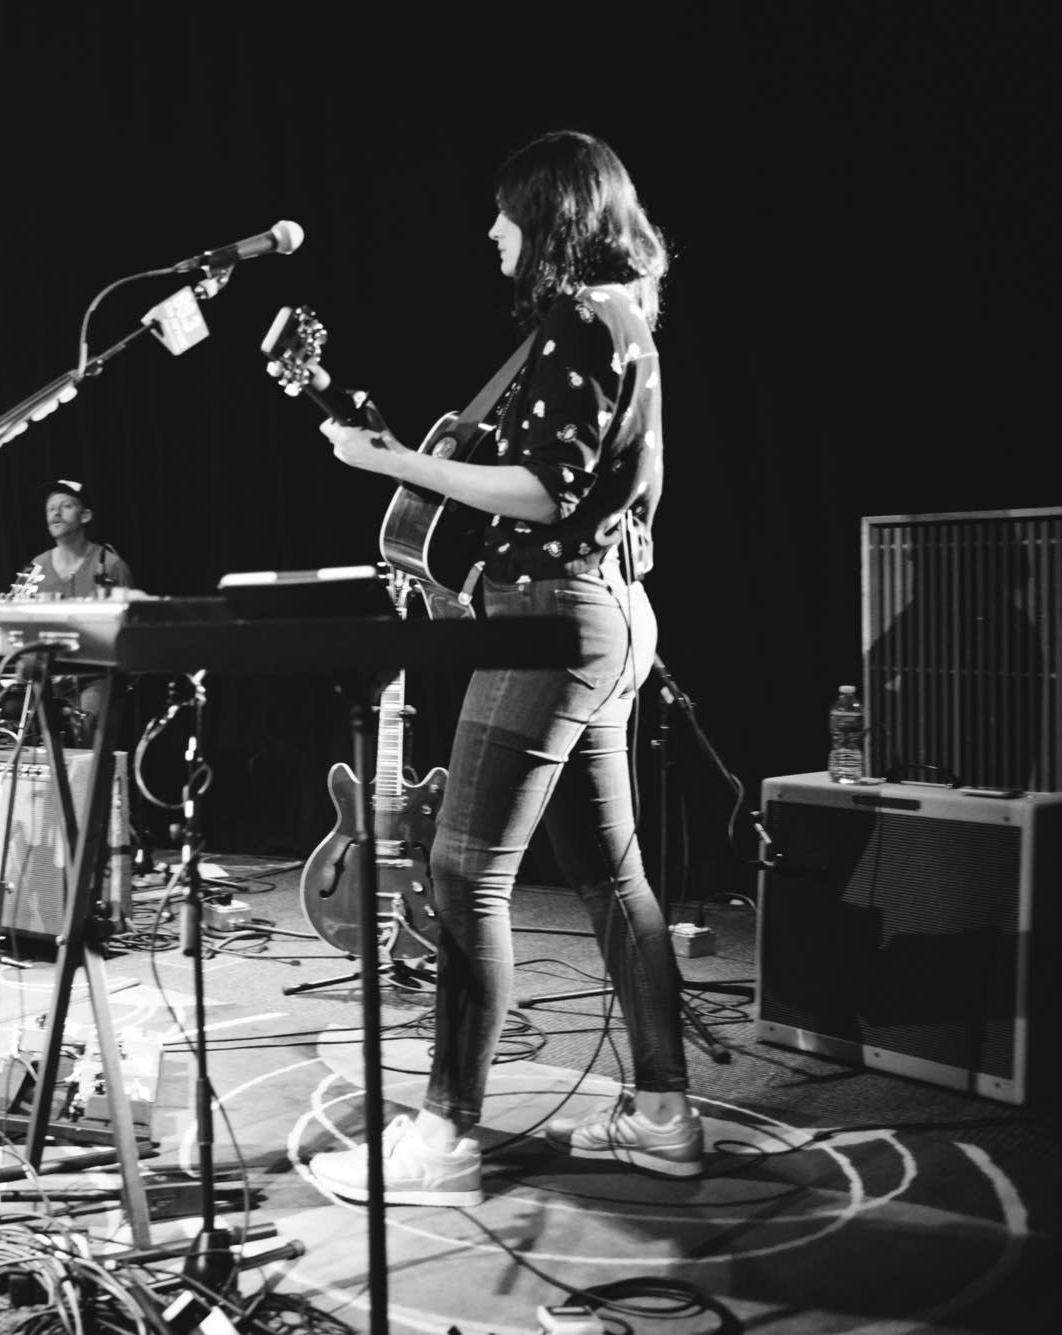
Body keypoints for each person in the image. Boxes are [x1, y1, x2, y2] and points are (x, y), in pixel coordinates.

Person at [307, 129, 699, 1206]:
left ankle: (443, 1137)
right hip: (608, 614)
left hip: (550, 621)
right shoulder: (626, 320)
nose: (490, 231)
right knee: (609, 871)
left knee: (461, 872)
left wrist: (388, 460)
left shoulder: (577, 319)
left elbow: (542, 491)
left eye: (504, 213)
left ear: (549, 216)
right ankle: (662, 1114)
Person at [12, 479, 135, 746]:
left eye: (66, 506)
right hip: (45, 676)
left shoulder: (109, 565)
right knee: (10, 716)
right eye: (50, 509)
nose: (56, 513)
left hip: (94, 677)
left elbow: (127, 632)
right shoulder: (36, 568)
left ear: (86, 515)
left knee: (87, 723)